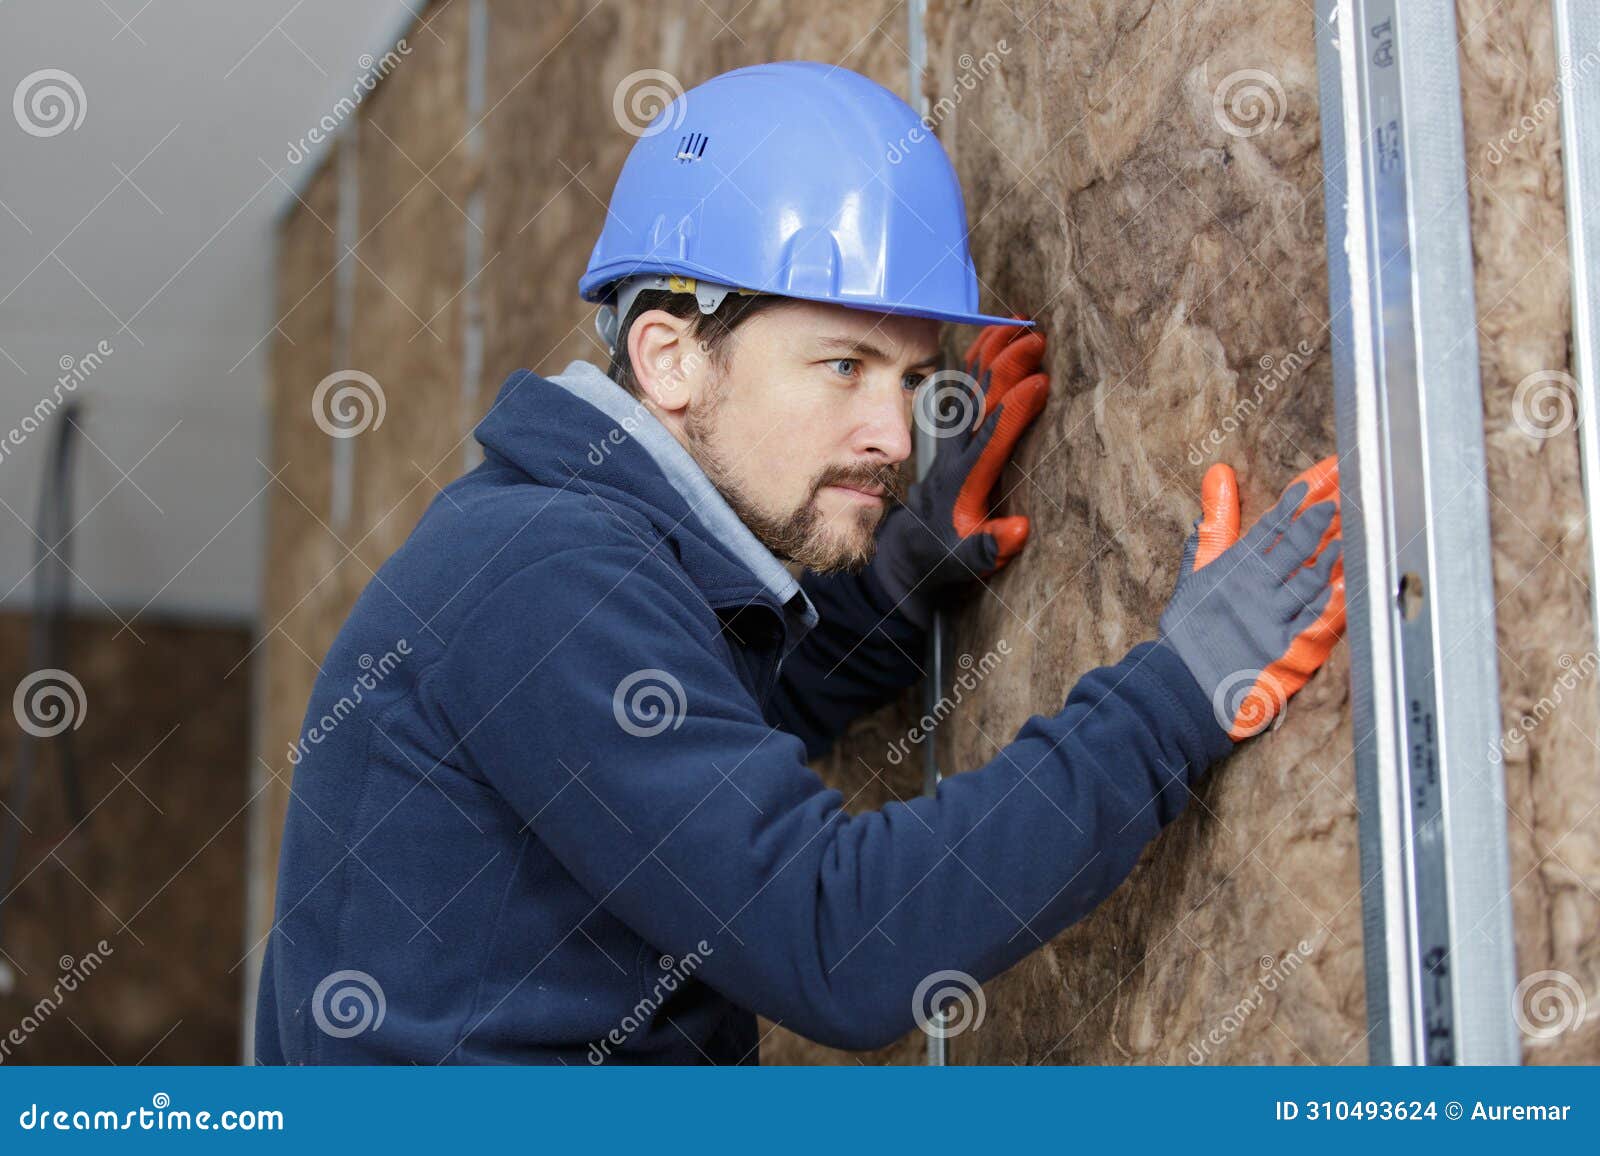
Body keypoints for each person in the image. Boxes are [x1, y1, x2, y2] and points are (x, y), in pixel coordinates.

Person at [254, 61, 1344, 1064]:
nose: (895, 435)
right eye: (842, 364)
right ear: (670, 356)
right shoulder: (542, 571)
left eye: (911, 378)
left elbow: (687, 728)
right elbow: (839, 939)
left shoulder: (559, 541)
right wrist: (1178, 694)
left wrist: (892, 587)